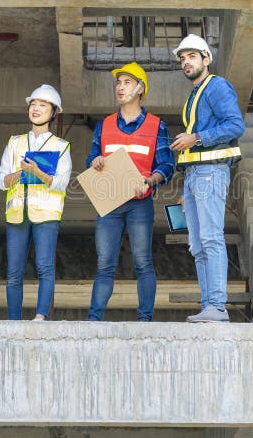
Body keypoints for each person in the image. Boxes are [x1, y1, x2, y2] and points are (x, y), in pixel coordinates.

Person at [86, 62, 175, 322]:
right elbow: (92, 157)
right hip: (110, 203)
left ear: (139, 89)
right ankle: (94, 319)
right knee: (104, 264)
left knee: (143, 262)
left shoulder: (156, 126)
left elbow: (167, 165)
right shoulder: (105, 125)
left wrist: (151, 179)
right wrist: (95, 161)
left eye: (126, 82)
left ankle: (145, 319)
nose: (120, 87)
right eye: (118, 82)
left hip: (140, 203)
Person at [169, 34, 245, 323]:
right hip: (195, 176)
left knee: (210, 238)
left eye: (191, 56)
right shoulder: (196, 93)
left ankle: (217, 306)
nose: (185, 62)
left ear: (206, 59)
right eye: (182, 58)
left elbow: (236, 124)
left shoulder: (216, 87)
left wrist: (196, 138)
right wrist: (186, 187)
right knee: (198, 244)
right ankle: (209, 306)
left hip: (211, 172)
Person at [0, 84, 71, 321]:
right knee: (13, 272)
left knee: (44, 267)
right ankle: (13, 319)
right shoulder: (14, 142)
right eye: (33, 104)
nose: (36, 109)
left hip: (46, 215)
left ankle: (40, 316)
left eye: (43, 105)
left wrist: (38, 172)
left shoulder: (61, 147)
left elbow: (61, 182)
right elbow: (2, 180)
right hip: (17, 213)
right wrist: (21, 173)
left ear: (53, 112)